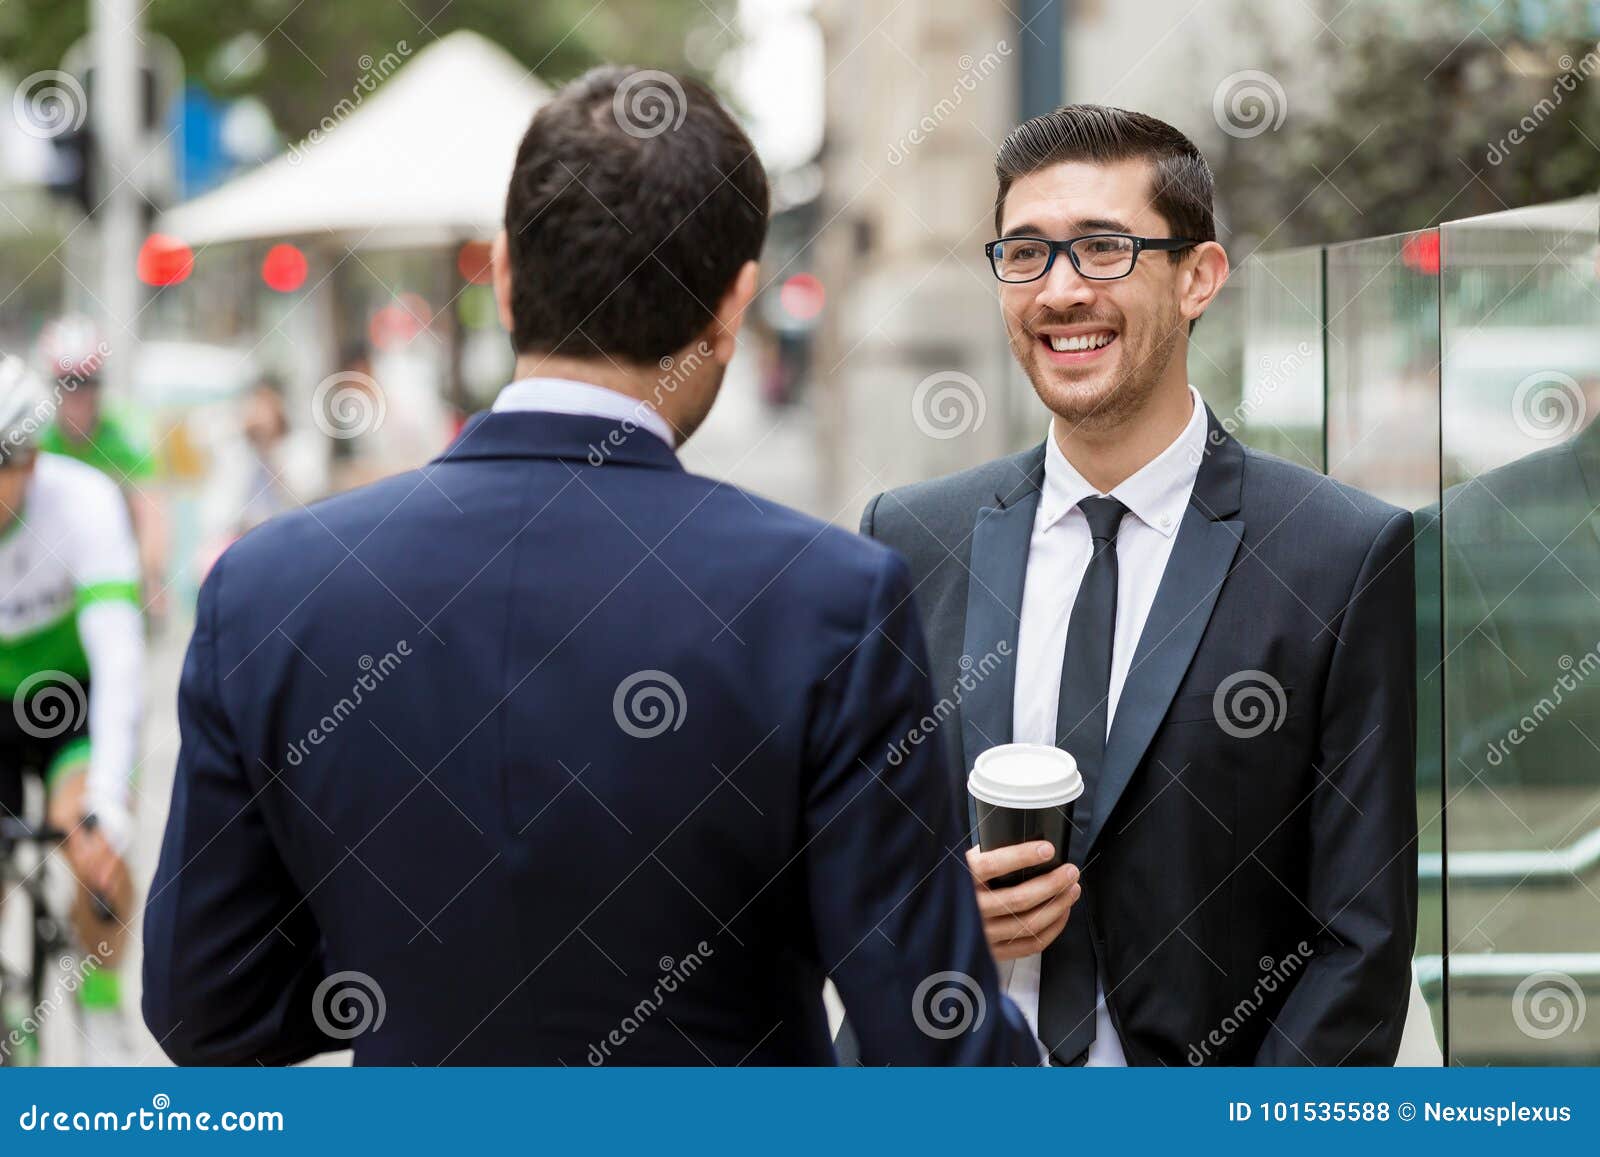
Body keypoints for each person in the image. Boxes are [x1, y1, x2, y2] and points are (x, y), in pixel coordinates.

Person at [142, 67, 1037, 1067]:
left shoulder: (271, 587)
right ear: (733, 303)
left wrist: (397, 952)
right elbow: (930, 1038)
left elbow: (203, 1007)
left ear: (509, 275)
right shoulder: (828, 599)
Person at [857, 105, 1418, 1065]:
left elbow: (1359, 945)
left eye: (1103, 249)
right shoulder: (911, 538)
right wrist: (938, 919)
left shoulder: (1340, 553)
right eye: (1026, 254)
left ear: (1198, 276)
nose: (1060, 291)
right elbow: (851, 871)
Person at [0, 354, 143, 1063]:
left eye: (5, 463)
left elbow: (119, 660)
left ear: (33, 457)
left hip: (69, 699)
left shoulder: (83, 499)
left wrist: (108, 802)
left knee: (97, 851)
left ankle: (102, 1006)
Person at [34, 316, 169, 622]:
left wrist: (152, 578)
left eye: (88, 383)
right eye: (68, 385)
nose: (79, 396)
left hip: (109, 565)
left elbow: (152, 513)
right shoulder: (36, 436)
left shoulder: (127, 435)